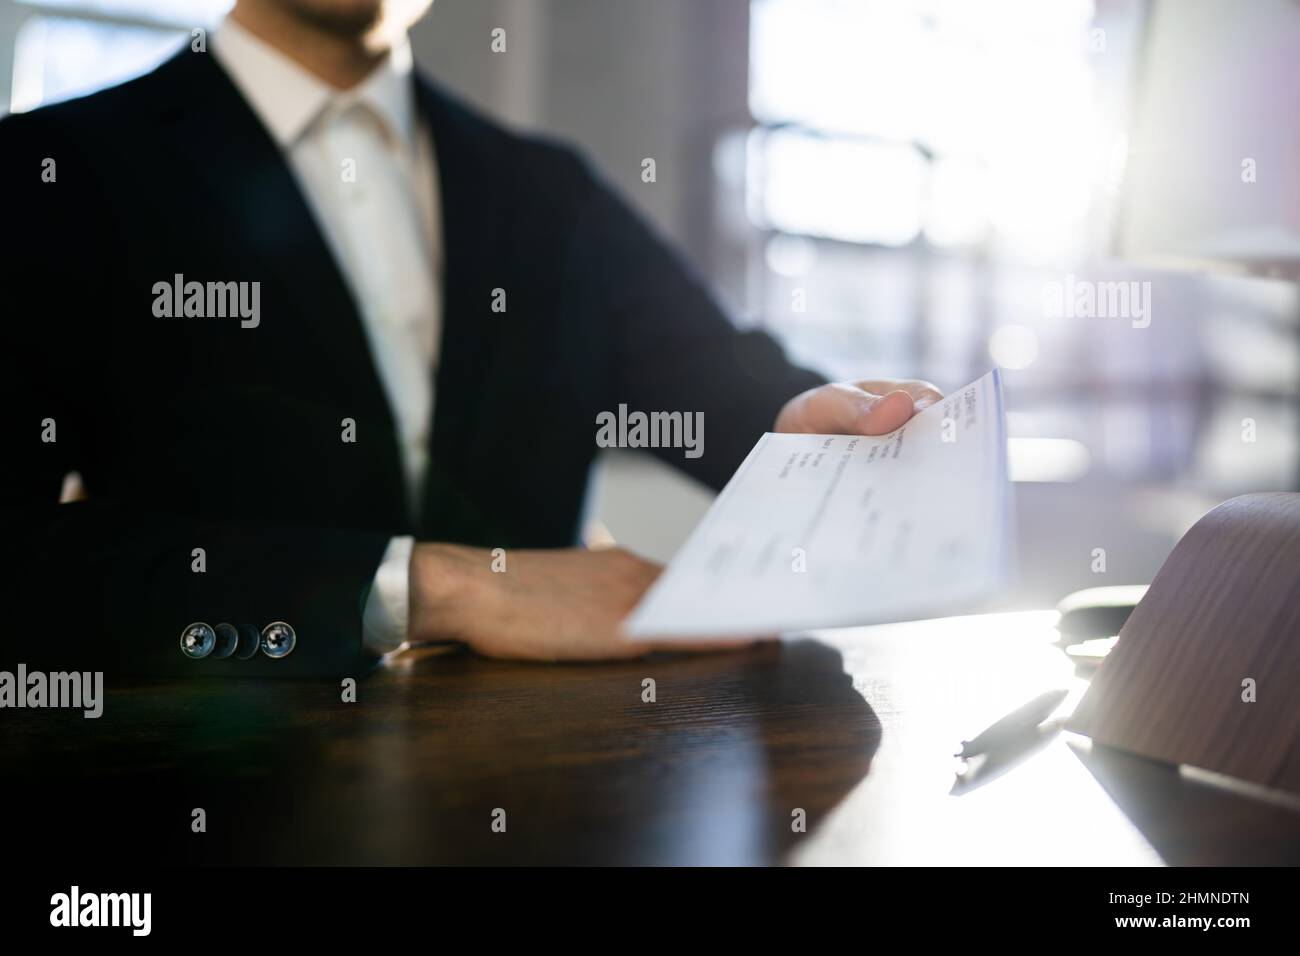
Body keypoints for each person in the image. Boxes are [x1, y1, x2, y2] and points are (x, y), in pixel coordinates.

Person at [0, 0, 941, 677]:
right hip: (212, 785)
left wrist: (809, 427)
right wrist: (441, 586)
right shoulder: (49, 175)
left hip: (549, 782)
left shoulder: (547, 189)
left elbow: (702, 380)